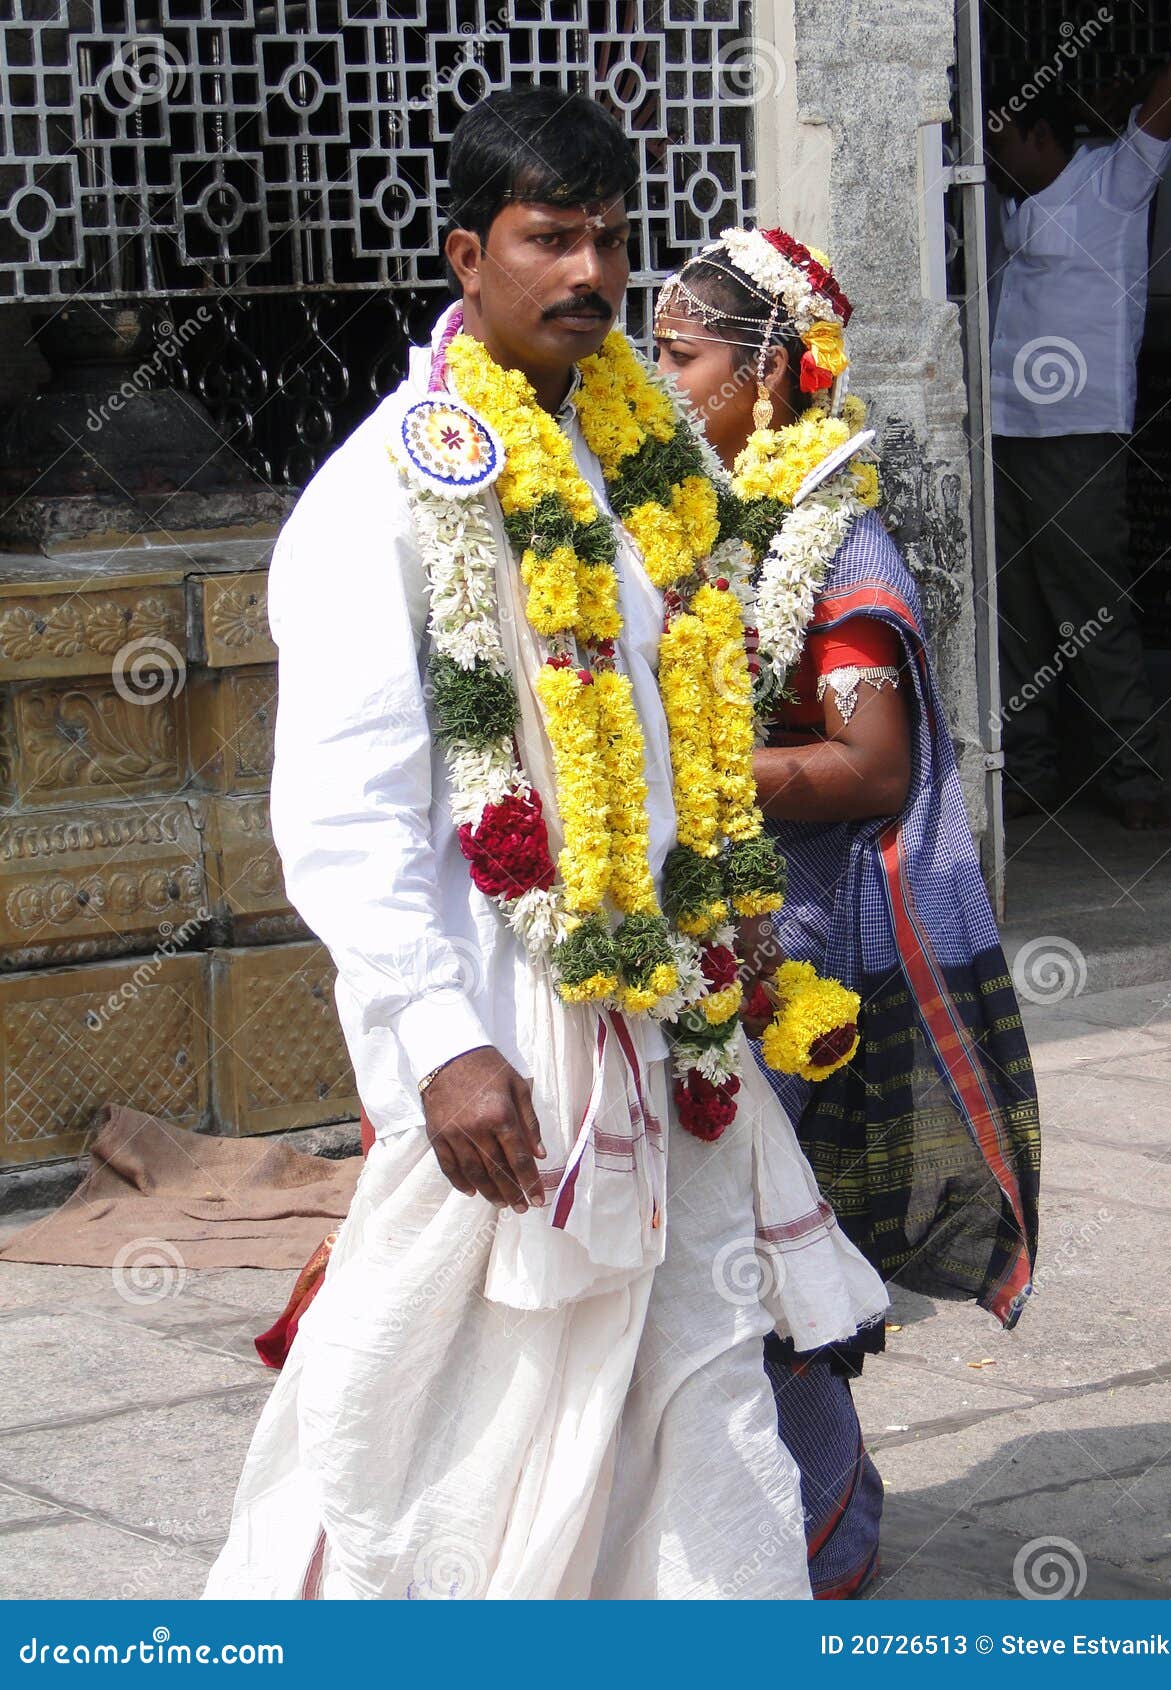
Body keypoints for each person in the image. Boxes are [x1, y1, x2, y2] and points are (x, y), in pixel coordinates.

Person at [203, 88, 887, 1602]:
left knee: (700, 1377)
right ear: (468, 253)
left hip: (663, 1011)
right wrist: (444, 1042)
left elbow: (681, 723)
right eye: (549, 238)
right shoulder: (389, 488)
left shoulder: (641, 458)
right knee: (434, 1417)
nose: (590, 273)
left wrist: (727, 906)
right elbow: (341, 809)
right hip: (501, 1037)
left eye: (613, 241)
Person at [654, 227, 1043, 1596]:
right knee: (739, 1246)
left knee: (758, 1244)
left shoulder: (841, 541)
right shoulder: (726, 519)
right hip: (742, 925)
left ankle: (825, 1524)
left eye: (681, 357)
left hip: (806, 945)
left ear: (770, 369)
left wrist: (674, 764)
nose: (662, 385)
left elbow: (870, 765)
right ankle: (795, 1511)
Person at [985, 58, 1171, 830]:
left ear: (1043, 133)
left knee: (1092, 608)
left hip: (1078, 435)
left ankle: (1133, 772)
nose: (993, 155)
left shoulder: (1113, 181)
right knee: (1013, 614)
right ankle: (1027, 772)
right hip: (1001, 430)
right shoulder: (1001, 199)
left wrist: (1114, 98)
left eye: (1006, 137)